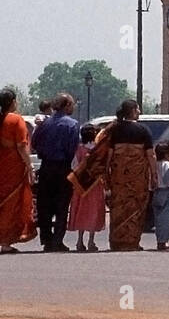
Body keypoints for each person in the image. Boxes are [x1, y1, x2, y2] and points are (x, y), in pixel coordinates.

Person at [105, 100, 157, 251]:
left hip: (119, 177)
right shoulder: (143, 130)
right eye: (138, 109)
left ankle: (116, 241)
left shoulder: (115, 130)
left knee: (118, 207)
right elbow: (150, 155)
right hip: (137, 178)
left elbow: (110, 154)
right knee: (136, 208)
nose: (139, 112)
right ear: (133, 111)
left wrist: (106, 173)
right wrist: (154, 175)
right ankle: (131, 242)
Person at [32, 93, 80, 251]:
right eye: (72, 104)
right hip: (63, 167)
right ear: (66, 106)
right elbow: (71, 148)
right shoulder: (72, 124)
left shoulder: (44, 124)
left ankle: (47, 240)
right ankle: (58, 240)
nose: (73, 107)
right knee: (61, 206)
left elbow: (35, 142)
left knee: (44, 205)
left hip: (46, 167)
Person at [0, 89, 36, 254]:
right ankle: (6, 242)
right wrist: (29, 166)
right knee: (11, 205)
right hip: (12, 168)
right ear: (13, 101)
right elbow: (22, 146)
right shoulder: (15, 120)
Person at [68, 122, 106, 251]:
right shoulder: (97, 151)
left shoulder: (78, 149)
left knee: (81, 211)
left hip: (80, 185)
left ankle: (79, 241)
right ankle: (91, 241)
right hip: (95, 186)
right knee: (94, 212)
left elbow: (74, 166)